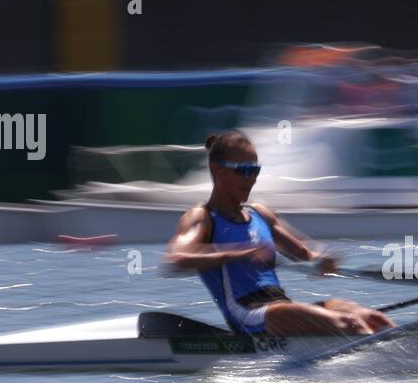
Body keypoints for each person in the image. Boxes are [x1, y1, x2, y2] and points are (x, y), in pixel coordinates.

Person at [166, 131, 394, 336]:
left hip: (279, 305)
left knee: (371, 318)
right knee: (349, 324)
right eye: (243, 170)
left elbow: (304, 253)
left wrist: (323, 259)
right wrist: (240, 253)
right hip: (248, 313)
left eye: (255, 170)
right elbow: (177, 258)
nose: (251, 178)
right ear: (217, 169)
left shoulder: (259, 213)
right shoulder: (202, 217)